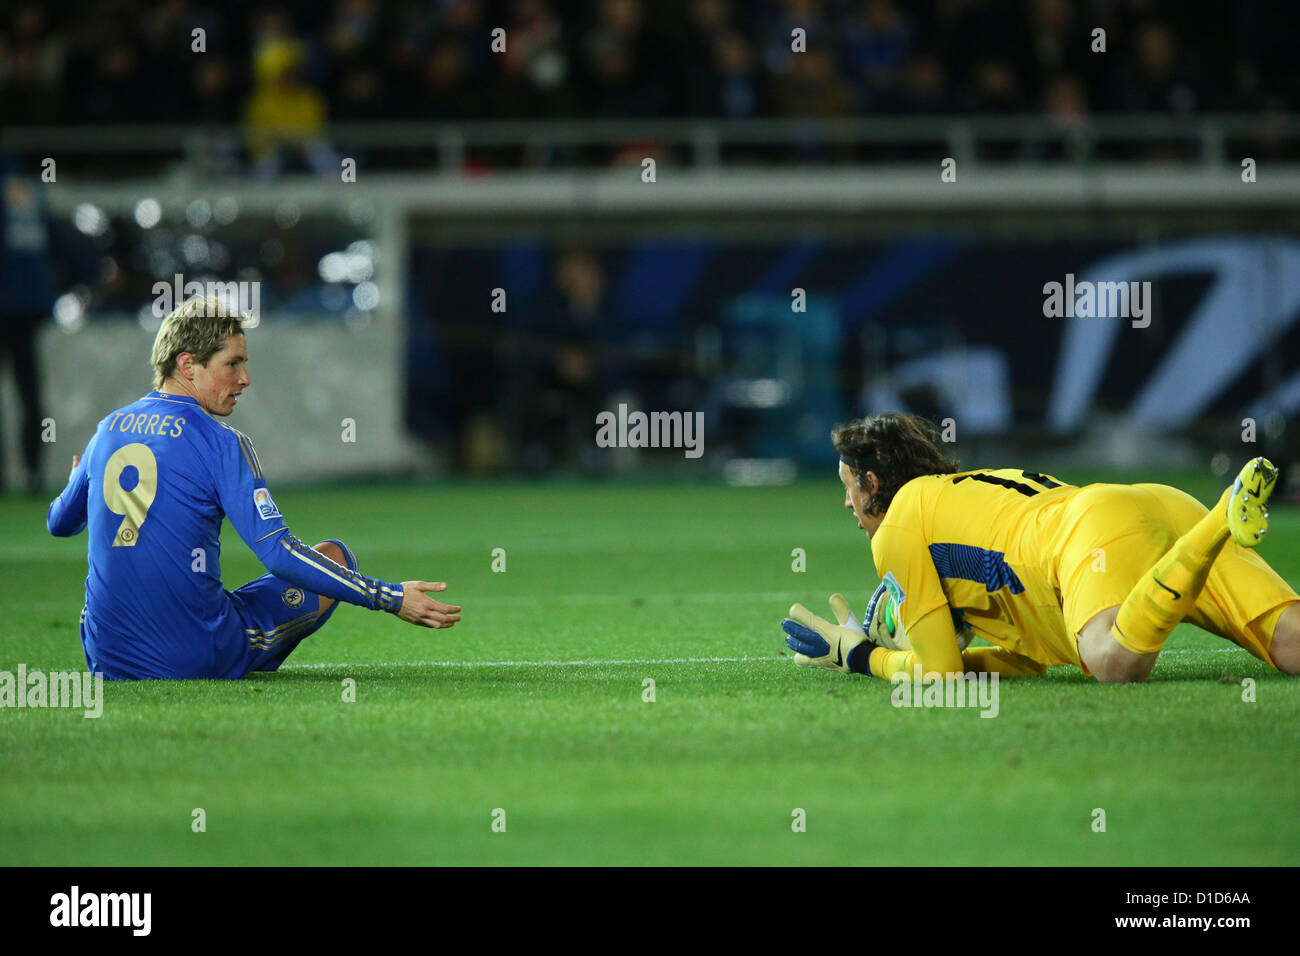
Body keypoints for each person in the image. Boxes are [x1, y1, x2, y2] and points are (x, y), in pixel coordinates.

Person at [47, 297, 461, 680]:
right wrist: (388, 596)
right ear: (188, 365)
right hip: (194, 655)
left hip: (107, 657)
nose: (245, 378)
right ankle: (227, 649)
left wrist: (74, 480)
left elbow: (60, 524)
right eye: (233, 364)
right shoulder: (223, 441)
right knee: (336, 556)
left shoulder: (107, 430)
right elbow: (278, 553)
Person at [782, 412, 1300, 683]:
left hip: (1089, 536)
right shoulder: (951, 500)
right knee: (1291, 643)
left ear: (872, 483)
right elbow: (1021, 663)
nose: (847, 503)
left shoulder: (897, 528)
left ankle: (1216, 525)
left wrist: (863, 657)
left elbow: (939, 676)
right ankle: (1214, 519)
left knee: (1113, 662)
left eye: (847, 486)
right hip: (1156, 505)